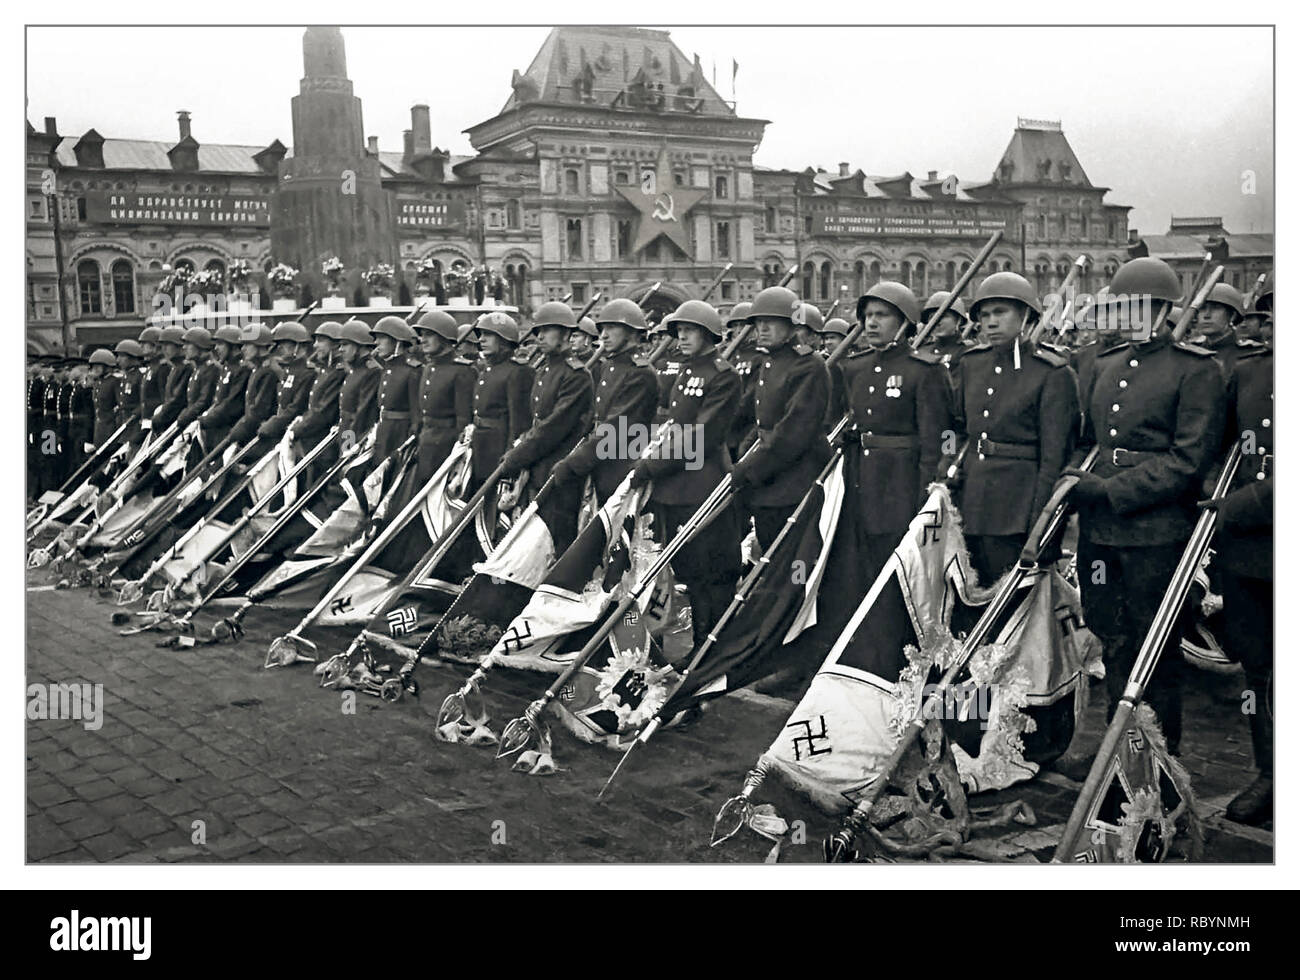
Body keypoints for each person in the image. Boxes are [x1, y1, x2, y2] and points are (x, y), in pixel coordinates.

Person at [1064, 256, 1226, 757]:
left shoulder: (1196, 370)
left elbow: (1188, 458)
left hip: (1155, 527)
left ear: (1162, 309)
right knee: (1110, 633)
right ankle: (1118, 745)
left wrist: (1114, 491)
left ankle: (1155, 756)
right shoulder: (1103, 365)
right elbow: (1085, 441)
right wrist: (1078, 481)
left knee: (1154, 644)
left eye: (1137, 307)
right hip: (1100, 529)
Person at [950, 272, 1079, 582]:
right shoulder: (972, 364)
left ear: (1026, 316)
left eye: (1000, 312)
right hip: (971, 499)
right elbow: (952, 428)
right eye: (984, 315)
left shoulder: (1051, 373)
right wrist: (947, 468)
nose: (990, 322)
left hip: (1016, 507)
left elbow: (1054, 456)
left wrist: (1040, 520)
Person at [632, 300, 742, 648]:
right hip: (676, 484)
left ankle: (714, 646)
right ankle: (699, 642)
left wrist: (651, 465)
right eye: (678, 332)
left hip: (702, 481)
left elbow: (702, 435)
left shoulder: (722, 375)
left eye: (689, 331)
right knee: (691, 572)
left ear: (709, 334)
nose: (681, 338)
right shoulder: (686, 371)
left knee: (713, 571)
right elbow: (671, 424)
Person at [1200, 339, 1272, 824]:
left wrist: (1237, 507)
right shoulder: (1251, 371)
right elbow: (1217, 444)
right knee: (1260, 666)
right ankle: (1272, 772)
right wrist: (1209, 493)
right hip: (1249, 552)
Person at [841, 281, 954, 585]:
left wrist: (927, 494)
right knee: (862, 565)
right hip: (861, 478)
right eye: (867, 315)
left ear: (904, 322)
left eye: (882, 315)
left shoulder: (924, 370)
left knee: (899, 566)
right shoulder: (855, 367)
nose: (871, 323)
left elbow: (937, 440)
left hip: (901, 483)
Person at [731, 286, 831, 551]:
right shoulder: (770, 362)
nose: (762, 328)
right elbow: (761, 421)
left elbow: (793, 431)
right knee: (768, 550)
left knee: (791, 560)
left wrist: (749, 468)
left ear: (791, 326)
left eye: (771, 322)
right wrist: (743, 455)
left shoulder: (808, 365)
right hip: (769, 478)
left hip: (795, 478)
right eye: (758, 322)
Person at [499, 301, 593, 551]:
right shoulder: (544, 371)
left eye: (547, 330)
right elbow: (535, 420)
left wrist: (516, 457)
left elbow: (553, 427)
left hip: (558, 467)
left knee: (556, 535)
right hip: (537, 465)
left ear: (565, 334)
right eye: (537, 331)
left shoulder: (576, 375)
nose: (539, 336)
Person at [553, 297, 660, 505]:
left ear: (631, 331)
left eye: (611, 328)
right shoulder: (609, 366)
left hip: (624, 464)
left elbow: (617, 427)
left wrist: (573, 464)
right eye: (602, 329)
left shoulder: (640, 373)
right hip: (603, 461)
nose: (603, 335)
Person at [468, 311, 532, 492]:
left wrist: (510, 456)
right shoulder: (487, 370)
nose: (481, 340)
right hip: (480, 446)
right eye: (481, 335)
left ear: (504, 340)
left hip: (498, 447)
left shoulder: (517, 372)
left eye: (488, 335)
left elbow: (518, 422)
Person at [412, 310, 475, 485]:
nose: (422, 340)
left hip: (446, 448)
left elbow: (463, 421)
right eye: (422, 335)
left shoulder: (462, 371)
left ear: (445, 337)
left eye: (429, 335)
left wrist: (457, 457)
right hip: (426, 444)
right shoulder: (428, 368)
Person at [254, 321, 316, 447]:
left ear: (297, 345)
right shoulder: (289, 370)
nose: (279, 347)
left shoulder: (307, 373)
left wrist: (273, 424)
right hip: (282, 434)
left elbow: (295, 408)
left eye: (284, 343)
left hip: (298, 437)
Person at [370, 315, 422, 463]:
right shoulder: (388, 368)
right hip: (383, 432)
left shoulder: (413, 370)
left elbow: (416, 414)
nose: (376, 342)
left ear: (397, 341)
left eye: (382, 338)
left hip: (400, 435)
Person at [225, 324, 280, 449]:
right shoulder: (259, 368)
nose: (243, 349)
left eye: (247, 344)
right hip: (252, 433)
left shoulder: (269, 371)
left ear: (260, 346)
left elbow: (258, 412)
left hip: (264, 439)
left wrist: (235, 433)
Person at [197, 325, 253, 446]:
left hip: (230, 430)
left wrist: (207, 420)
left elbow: (232, 404)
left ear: (233, 346)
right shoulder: (227, 368)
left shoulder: (242, 369)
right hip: (216, 430)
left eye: (220, 344)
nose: (216, 348)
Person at [149, 326, 191, 434]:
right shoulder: (175, 368)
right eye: (162, 346)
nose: (164, 349)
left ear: (180, 346)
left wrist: (160, 417)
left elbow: (177, 399)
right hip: (170, 422)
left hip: (180, 424)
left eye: (167, 345)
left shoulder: (186, 368)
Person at [919, 291, 971, 370]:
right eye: (932, 317)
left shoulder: (968, 351)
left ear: (958, 320)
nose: (937, 322)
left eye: (944, 316)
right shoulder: (923, 350)